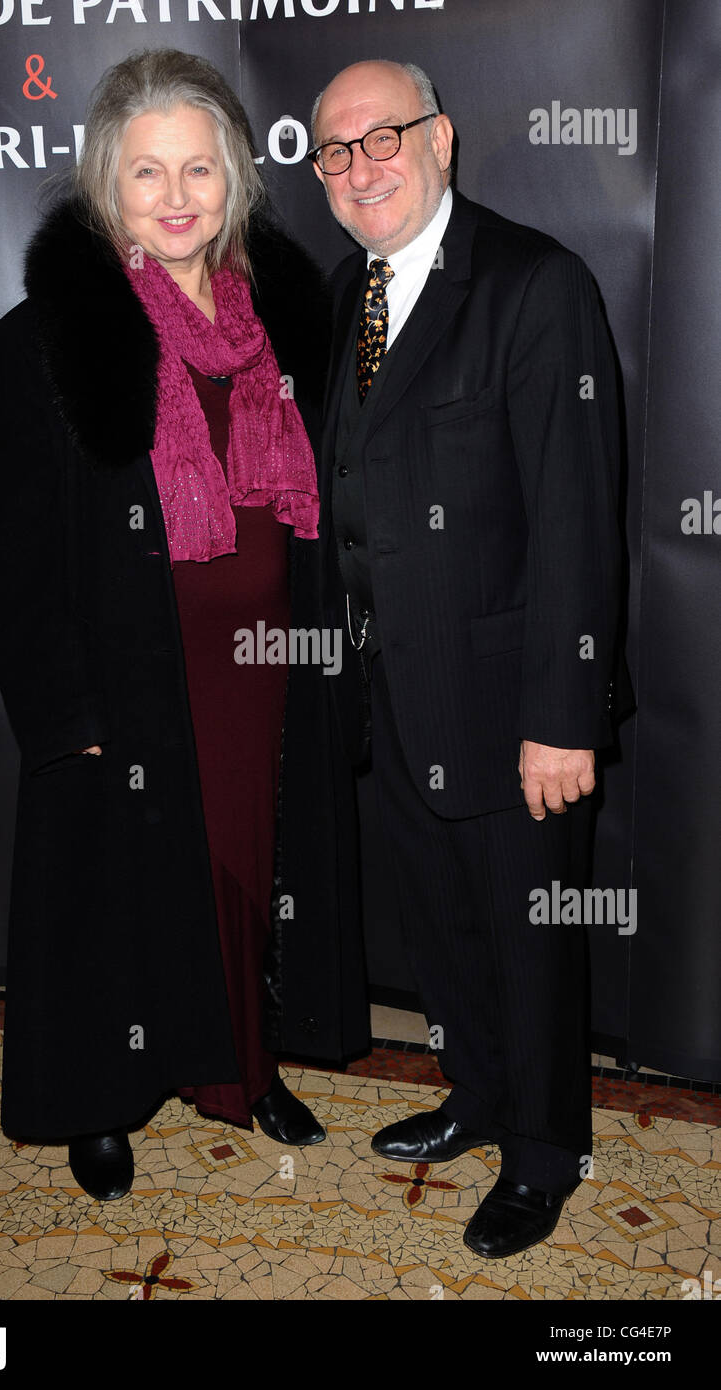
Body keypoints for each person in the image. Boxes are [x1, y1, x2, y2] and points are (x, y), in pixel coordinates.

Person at [0, 48, 368, 1203]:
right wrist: (65, 717)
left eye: (199, 167)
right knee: (115, 891)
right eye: (146, 171)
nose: (177, 194)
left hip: (265, 669)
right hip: (135, 673)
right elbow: (19, 560)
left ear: (238, 177)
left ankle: (240, 1071)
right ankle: (101, 1100)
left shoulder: (286, 317)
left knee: (246, 873)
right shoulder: (47, 339)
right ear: (106, 181)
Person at [309, 59, 634, 1257]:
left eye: (381, 137)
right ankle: (479, 1098)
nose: (358, 167)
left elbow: (575, 515)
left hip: (513, 706)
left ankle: (546, 1152)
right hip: (392, 693)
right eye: (333, 152)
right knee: (446, 931)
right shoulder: (349, 290)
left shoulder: (534, 283)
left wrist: (563, 711)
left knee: (530, 938)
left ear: (441, 140)